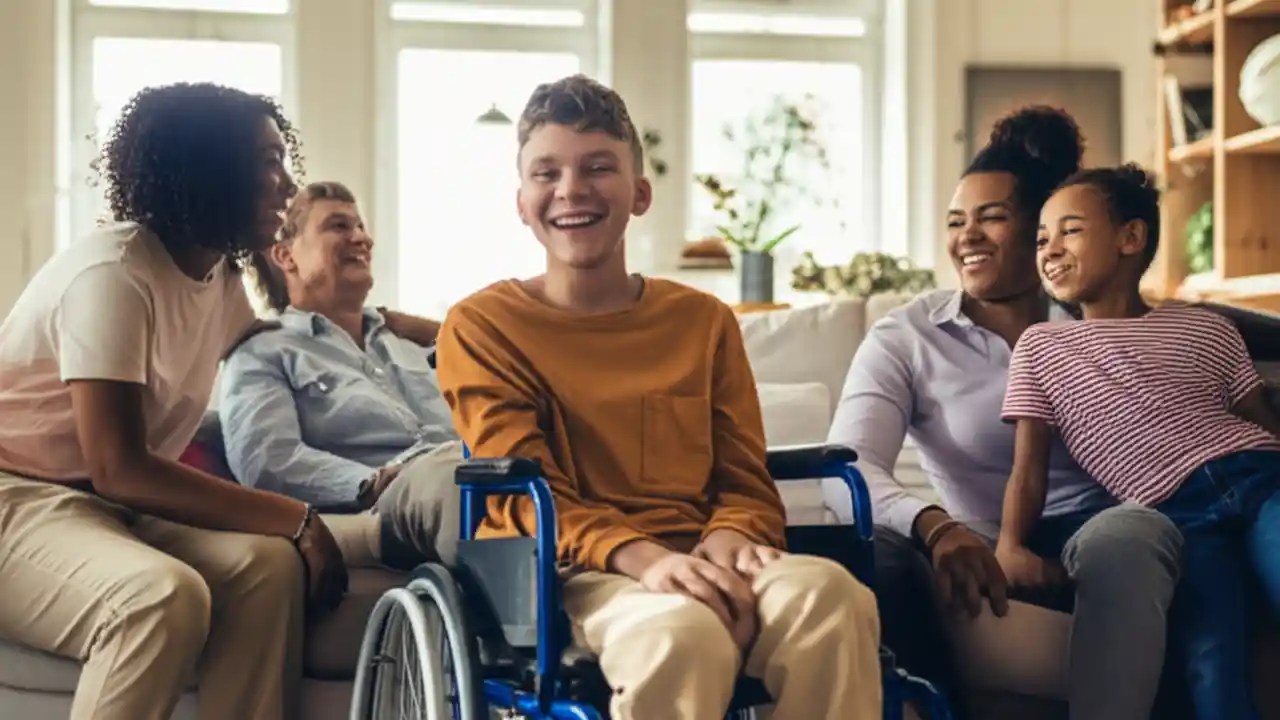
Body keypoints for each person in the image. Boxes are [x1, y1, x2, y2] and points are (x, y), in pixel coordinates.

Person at [435, 74, 881, 720]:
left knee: (835, 599)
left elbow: (745, 475)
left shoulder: (703, 322)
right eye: (546, 173)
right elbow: (529, 495)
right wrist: (649, 562)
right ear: (522, 201)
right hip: (572, 577)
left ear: (639, 193)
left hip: (710, 555)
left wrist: (730, 537)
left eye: (597, 168)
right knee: (682, 634)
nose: (571, 190)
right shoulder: (481, 326)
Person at [0, 83, 347, 720]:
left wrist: (424, 331)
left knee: (267, 569)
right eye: (266, 162)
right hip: (18, 499)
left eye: (282, 159)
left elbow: (300, 331)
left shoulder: (217, 280)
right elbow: (121, 467)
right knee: (159, 597)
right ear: (207, 169)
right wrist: (295, 515)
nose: (286, 183)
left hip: (102, 507)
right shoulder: (114, 276)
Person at [826, 107, 1183, 720]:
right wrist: (936, 527)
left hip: (1109, 534)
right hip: (980, 547)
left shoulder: (1099, 316)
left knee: (1130, 539)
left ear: (1043, 229)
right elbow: (847, 472)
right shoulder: (910, 337)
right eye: (957, 221)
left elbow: (1200, 348)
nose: (968, 236)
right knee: (876, 554)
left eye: (993, 218)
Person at [999, 164, 1280, 720]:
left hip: (1261, 478)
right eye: (1041, 238)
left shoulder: (1206, 328)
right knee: (1212, 658)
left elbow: (1262, 422)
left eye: (1070, 230)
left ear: (1131, 237)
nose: (1050, 248)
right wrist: (1011, 545)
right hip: (1176, 516)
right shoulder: (1040, 347)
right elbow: (1028, 471)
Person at [221, 180, 462, 570]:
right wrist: (369, 483)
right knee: (461, 483)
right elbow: (268, 460)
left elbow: (506, 370)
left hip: (474, 467)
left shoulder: (408, 341)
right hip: (405, 490)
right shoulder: (263, 352)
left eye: (361, 227)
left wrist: (435, 331)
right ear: (286, 255)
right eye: (338, 226)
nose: (361, 238)